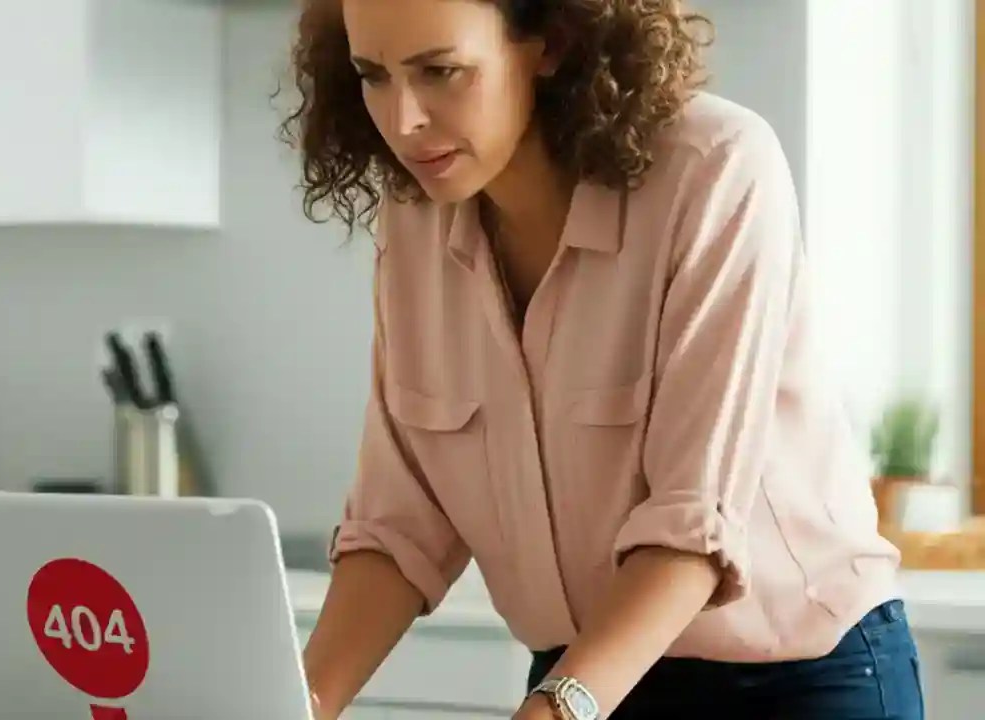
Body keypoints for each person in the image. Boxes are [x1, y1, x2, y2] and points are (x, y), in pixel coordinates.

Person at [280, 0, 923, 719]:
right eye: (373, 76)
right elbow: (398, 530)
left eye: (440, 72)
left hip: (798, 678)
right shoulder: (415, 220)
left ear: (550, 42)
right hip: (582, 673)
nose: (403, 121)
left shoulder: (717, 168)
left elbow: (691, 527)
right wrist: (291, 706)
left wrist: (559, 708)